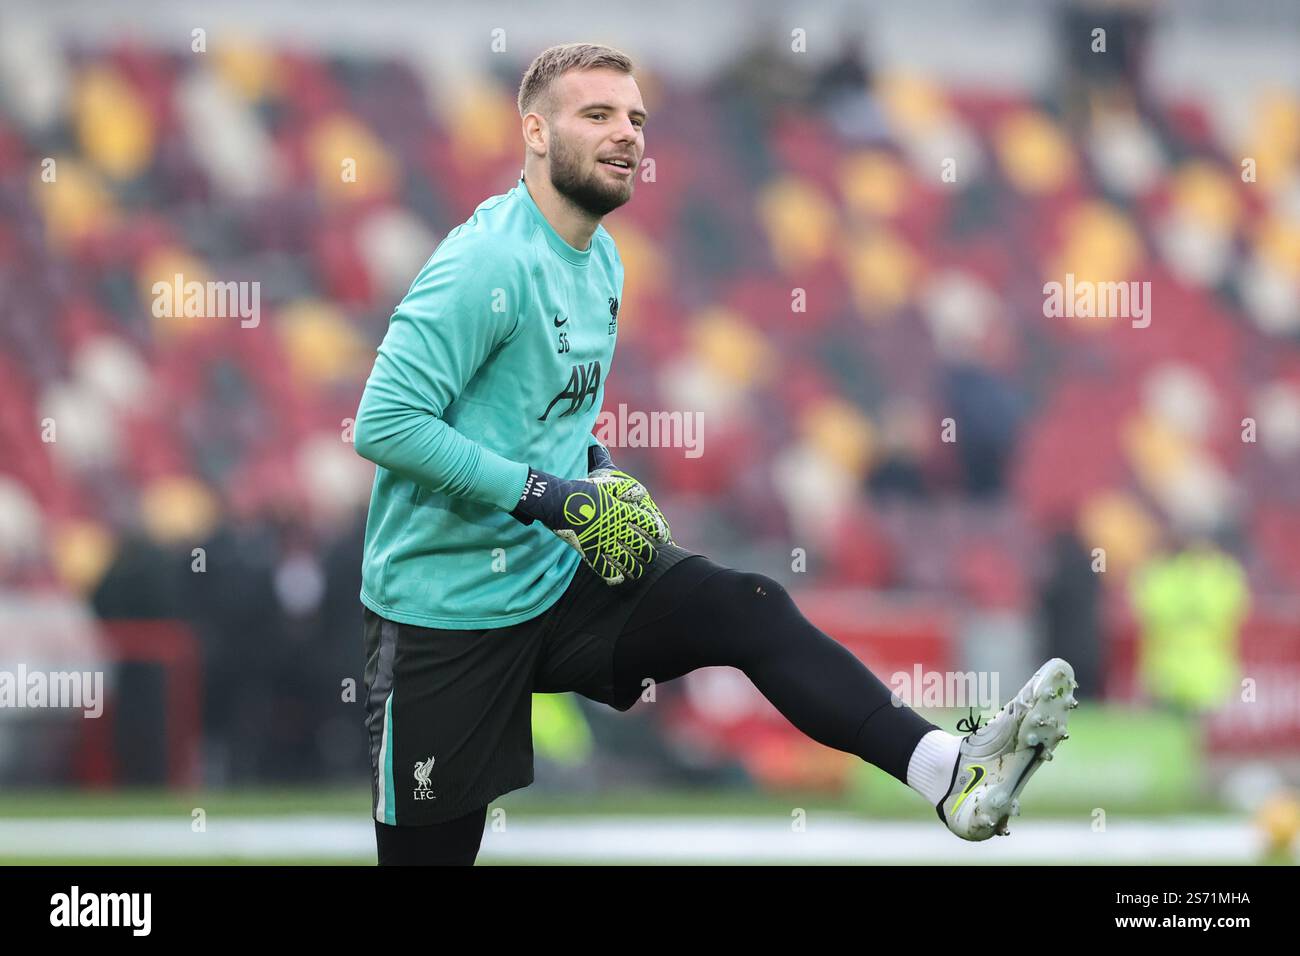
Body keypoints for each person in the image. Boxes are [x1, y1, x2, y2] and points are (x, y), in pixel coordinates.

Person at [352, 42, 1077, 865]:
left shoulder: (604, 261)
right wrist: (552, 499)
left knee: (749, 606)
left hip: (551, 579)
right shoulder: (485, 261)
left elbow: (543, 415)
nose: (625, 133)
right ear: (535, 133)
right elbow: (385, 423)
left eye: (635, 118)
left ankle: (949, 774)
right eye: (597, 115)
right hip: (443, 611)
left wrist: (596, 471)